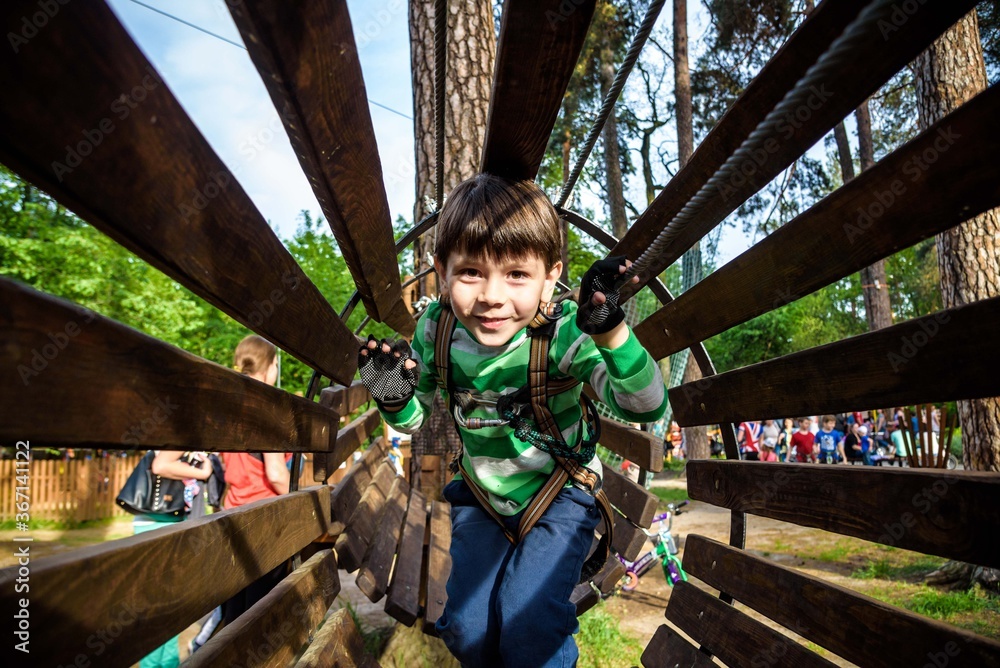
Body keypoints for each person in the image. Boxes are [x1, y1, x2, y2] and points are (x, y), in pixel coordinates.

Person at [356, 173, 667, 667]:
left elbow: (647, 406)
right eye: (471, 273)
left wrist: (611, 334)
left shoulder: (565, 334)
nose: (492, 296)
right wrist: (392, 395)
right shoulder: (438, 330)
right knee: (466, 628)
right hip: (481, 498)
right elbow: (414, 420)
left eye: (517, 274)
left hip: (560, 494)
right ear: (441, 270)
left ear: (550, 278)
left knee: (529, 621)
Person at [216, 336, 292, 632]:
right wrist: (302, 500)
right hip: (262, 522)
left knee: (233, 613)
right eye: (275, 364)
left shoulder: (229, 407)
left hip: (230, 517)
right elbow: (274, 473)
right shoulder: (267, 409)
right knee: (258, 619)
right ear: (270, 367)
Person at [134, 450, 212, 667]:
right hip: (159, 524)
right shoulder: (180, 429)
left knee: (167, 602)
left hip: (164, 523)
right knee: (157, 604)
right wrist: (204, 471)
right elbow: (160, 466)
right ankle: (155, 664)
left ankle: (166, 663)